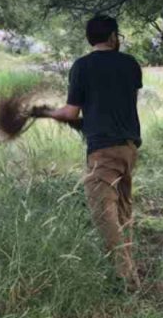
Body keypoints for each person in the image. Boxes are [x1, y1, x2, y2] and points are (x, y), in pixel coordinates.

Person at [36, 16, 143, 289]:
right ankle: (130, 268)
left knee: (102, 212)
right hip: (129, 148)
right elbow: (122, 103)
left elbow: (71, 112)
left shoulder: (82, 66)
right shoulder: (130, 64)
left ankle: (125, 277)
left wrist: (45, 113)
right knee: (122, 208)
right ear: (112, 37)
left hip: (103, 150)